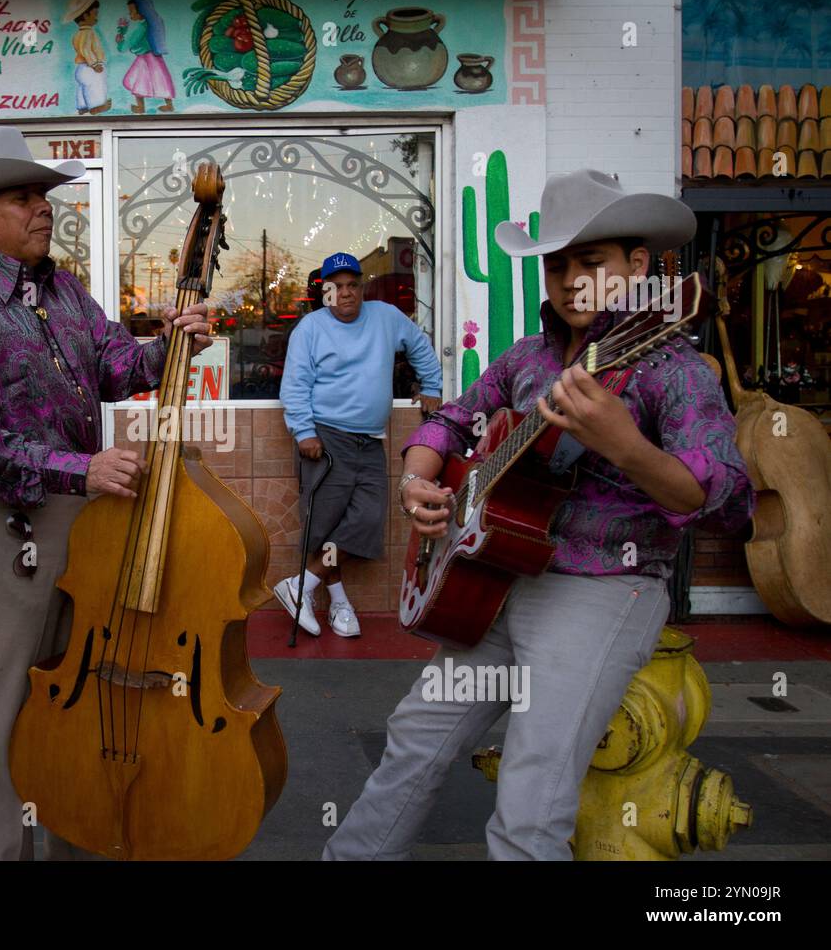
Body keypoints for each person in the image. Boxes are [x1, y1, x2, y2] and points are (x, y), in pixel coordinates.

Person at [323, 170, 755, 859]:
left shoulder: (674, 369)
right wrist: (416, 479)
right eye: (558, 265)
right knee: (414, 742)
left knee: (531, 796)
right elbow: (455, 419)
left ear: (638, 268)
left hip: (603, 587)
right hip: (495, 584)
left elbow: (725, 500)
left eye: (593, 262)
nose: (572, 280)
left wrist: (624, 444)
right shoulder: (525, 357)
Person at [0, 126, 212, 860]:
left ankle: (77, 835)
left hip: (84, 512)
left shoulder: (65, 290)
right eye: (23, 197)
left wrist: (171, 344)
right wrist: (80, 471)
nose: (45, 209)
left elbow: (115, 364)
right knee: (11, 704)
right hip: (12, 522)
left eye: (44, 196)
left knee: (81, 693)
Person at [275, 251, 443, 638]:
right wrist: (304, 432)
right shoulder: (311, 329)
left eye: (353, 285)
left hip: (369, 440)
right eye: (337, 287)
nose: (346, 293)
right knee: (324, 524)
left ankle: (302, 585)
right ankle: (339, 604)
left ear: (362, 287)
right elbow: (295, 386)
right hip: (326, 437)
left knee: (367, 520)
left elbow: (418, 346)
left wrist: (431, 387)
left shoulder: (386, 317)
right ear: (325, 292)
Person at [116, 0, 174, 114]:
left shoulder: (141, 27)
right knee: (160, 80)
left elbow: (127, 45)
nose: (130, 14)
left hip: (145, 58)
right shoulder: (152, 24)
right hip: (153, 57)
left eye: (132, 11)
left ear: (141, 11)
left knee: (138, 81)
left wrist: (120, 42)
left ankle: (141, 107)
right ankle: (168, 105)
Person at [66, 0, 111, 115]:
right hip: (89, 67)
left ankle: (82, 107)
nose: (97, 17)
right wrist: (94, 64)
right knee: (95, 86)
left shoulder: (78, 34)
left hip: (81, 68)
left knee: (83, 88)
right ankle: (96, 106)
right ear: (86, 16)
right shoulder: (88, 32)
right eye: (95, 14)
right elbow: (86, 50)